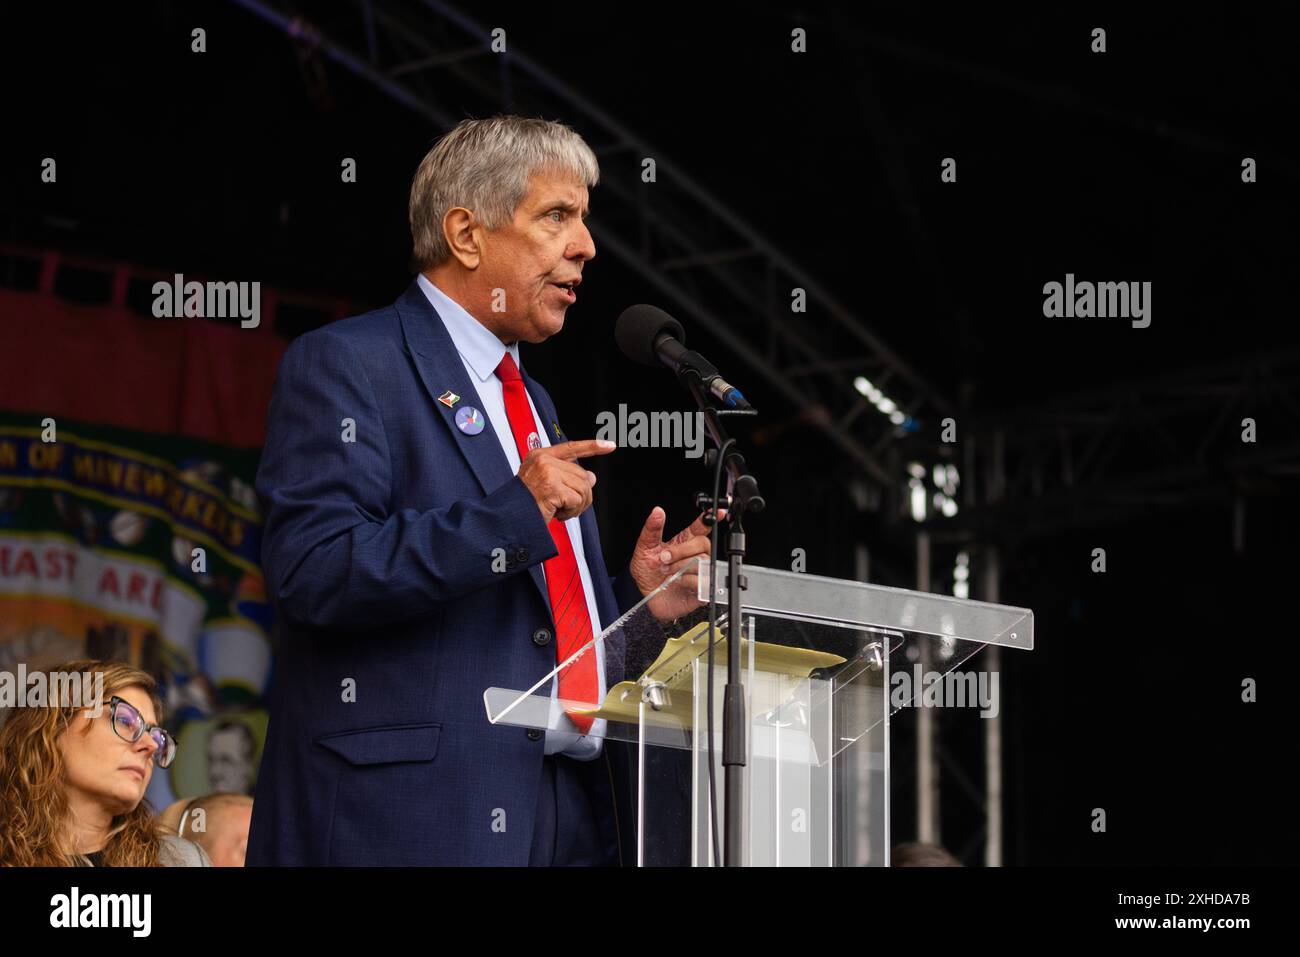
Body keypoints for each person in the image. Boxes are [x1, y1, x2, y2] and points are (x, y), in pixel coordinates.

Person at [247, 115, 712, 866]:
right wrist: (511, 511)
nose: (586, 245)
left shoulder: (531, 399)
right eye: (557, 216)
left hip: (563, 809)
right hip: (413, 817)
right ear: (466, 234)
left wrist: (640, 604)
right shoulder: (348, 363)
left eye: (584, 220)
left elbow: (536, 638)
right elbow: (313, 570)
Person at [0, 659, 210, 866]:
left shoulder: (181, 861)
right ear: (52, 727)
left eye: (157, 738)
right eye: (125, 720)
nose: (151, 745)